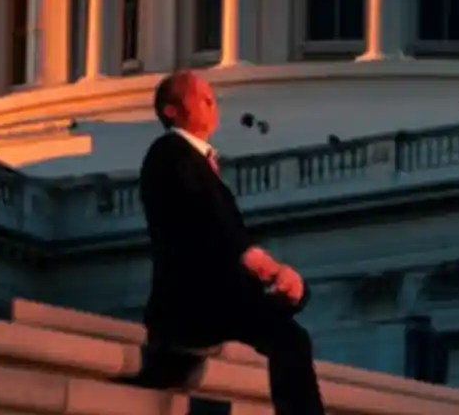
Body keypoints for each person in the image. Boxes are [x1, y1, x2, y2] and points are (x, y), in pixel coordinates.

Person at [135, 69, 325, 415]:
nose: (213, 106)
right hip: (189, 302)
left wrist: (275, 276)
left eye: (213, 100)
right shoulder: (169, 153)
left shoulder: (197, 161)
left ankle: (293, 293)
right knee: (291, 339)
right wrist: (261, 264)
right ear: (171, 111)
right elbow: (207, 222)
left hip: (212, 297)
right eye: (203, 99)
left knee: (290, 319)